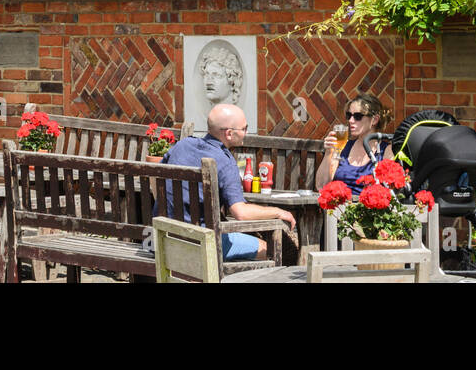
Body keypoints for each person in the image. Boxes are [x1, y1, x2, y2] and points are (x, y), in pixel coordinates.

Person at [163, 103, 295, 261]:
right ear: (229, 134)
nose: (246, 132)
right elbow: (240, 213)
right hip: (200, 241)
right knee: (268, 248)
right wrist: (278, 212)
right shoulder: (224, 161)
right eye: (244, 128)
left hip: (165, 235)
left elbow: (155, 178)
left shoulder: (181, 146)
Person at [315, 93, 390, 192]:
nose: (351, 120)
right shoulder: (343, 146)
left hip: (368, 206)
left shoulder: (386, 150)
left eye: (357, 116)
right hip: (340, 205)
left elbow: (389, 189)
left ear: (374, 120)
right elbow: (321, 186)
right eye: (349, 115)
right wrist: (329, 153)